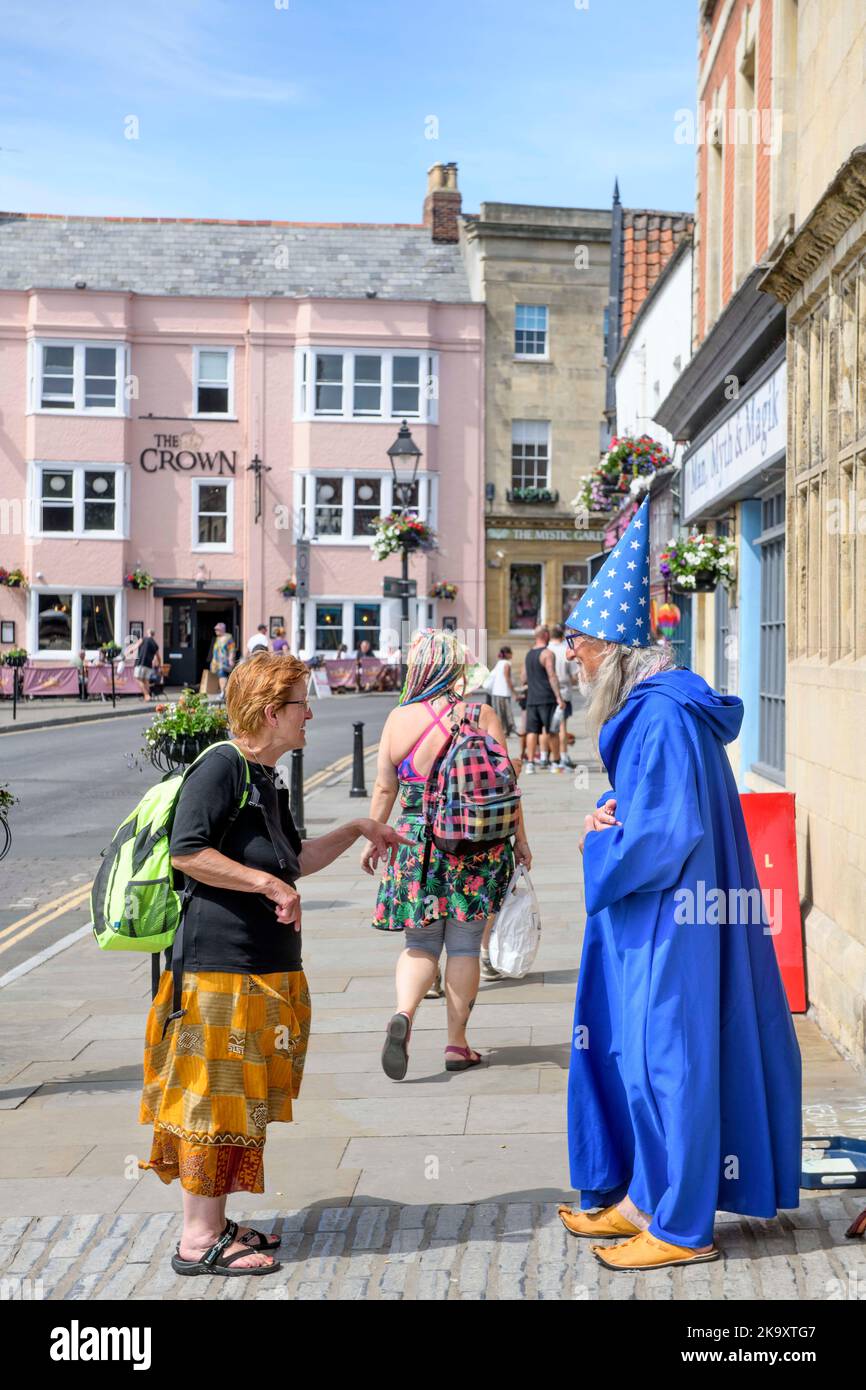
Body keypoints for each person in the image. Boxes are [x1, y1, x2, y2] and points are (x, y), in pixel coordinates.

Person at [557, 494, 801, 1272]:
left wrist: (603, 845)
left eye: (585, 648)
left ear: (618, 654)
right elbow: (660, 804)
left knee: (670, 1060)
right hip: (672, 913)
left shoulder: (658, 716)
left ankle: (684, 1226)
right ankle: (644, 1197)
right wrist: (612, 808)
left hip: (670, 917)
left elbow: (660, 836)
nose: (576, 660)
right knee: (643, 1054)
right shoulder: (662, 710)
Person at [139, 651, 407, 1277]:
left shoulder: (264, 777)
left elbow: (295, 859)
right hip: (218, 973)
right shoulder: (221, 767)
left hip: (258, 972)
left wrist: (359, 828)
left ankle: (215, 1221)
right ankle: (197, 1240)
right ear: (269, 712)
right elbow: (187, 852)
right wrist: (266, 886)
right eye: (300, 705)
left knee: (242, 1101)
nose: (310, 714)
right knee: (213, 1101)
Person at [362, 629, 532, 1076]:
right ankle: (457, 1044)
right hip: (473, 843)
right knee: (463, 946)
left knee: (419, 941)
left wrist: (373, 836)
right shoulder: (481, 714)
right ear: (457, 669)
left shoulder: (399, 718)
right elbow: (506, 788)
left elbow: (385, 786)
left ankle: (404, 1015)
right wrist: (521, 840)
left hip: (415, 841)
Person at [522, 626, 565, 773]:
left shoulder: (528, 654)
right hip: (547, 698)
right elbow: (552, 675)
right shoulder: (547, 653)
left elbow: (523, 678)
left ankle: (530, 764)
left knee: (532, 732)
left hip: (532, 698)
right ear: (546, 635)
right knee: (552, 730)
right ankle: (556, 763)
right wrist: (559, 697)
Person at [547, 624, 578, 768]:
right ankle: (564, 755)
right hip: (564, 691)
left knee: (546, 727)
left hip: (546, 692)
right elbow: (574, 675)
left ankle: (547, 756)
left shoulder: (545, 649)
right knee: (562, 726)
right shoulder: (566, 650)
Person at [487, 646, 517, 737]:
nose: (512, 655)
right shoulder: (507, 664)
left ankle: (502, 730)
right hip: (503, 692)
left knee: (499, 713)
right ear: (507, 654)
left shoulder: (499, 663)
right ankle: (505, 731)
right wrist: (514, 692)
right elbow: (507, 678)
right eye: (511, 653)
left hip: (496, 692)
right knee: (505, 712)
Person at [134, 629, 161, 703]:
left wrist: (130, 651)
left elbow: (136, 646)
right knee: (146, 681)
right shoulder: (155, 644)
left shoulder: (143, 639)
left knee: (138, 679)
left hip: (141, 662)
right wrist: (159, 665)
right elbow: (158, 657)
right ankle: (148, 696)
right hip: (149, 665)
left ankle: (147, 695)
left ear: (148, 633)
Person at [210, 622, 236, 697]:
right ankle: (223, 692)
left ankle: (223, 693)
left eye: (217, 629)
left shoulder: (228, 637)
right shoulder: (218, 638)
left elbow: (232, 649)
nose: (216, 631)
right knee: (221, 675)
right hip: (218, 662)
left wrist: (231, 659)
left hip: (225, 662)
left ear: (222, 629)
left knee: (222, 674)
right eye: (215, 630)